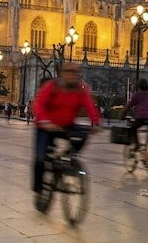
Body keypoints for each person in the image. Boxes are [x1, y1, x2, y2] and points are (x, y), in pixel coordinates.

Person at [32, 63, 101, 207]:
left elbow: (89, 105)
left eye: (75, 73)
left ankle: (68, 158)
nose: (72, 75)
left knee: (83, 134)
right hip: (46, 126)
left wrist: (96, 122)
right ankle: (38, 189)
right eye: (69, 72)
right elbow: (39, 104)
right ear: (62, 74)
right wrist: (45, 122)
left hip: (66, 125)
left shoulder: (81, 88)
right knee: (39, 159)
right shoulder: (52, 86)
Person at [124, 78, 148, 157]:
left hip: (142, 118)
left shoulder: (138, 95)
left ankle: (137, 145)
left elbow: (129, 106)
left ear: (139, 86)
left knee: (133, 128)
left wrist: (122, 115)